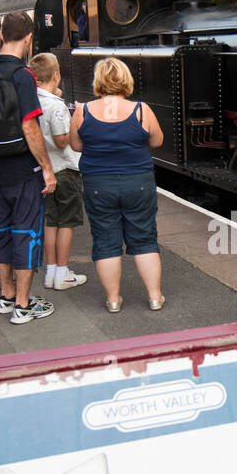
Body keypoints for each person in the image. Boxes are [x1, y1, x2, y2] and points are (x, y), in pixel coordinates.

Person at [0, 11, 56, 324]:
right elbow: (30, 126)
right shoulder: (22, 75)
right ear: (29, 38)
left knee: (1, 232)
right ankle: (23, 304)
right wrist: (46, 167)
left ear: (1, 35)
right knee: (25, 233)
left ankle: (6, 296)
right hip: (21, 169)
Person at [68, 57, 164, 313]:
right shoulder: (142, 110)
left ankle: (113, 300)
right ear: (126, 80)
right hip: (138, 183)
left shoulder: (82, 111)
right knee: (144, 239)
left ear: (98, 81)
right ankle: (155, 297)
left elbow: (75, 146)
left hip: (99, 184)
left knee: (106, 241)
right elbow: (157, 141)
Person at [29, 52, 87, 291]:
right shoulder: (56, 106)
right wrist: (77, 123)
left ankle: (51, 271)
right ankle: (63, 272)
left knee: (50, 221)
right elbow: (63, 140)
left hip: (44, 169)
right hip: (64, 170)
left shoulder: (32, 99)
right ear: (56, 75)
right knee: (67, 223)